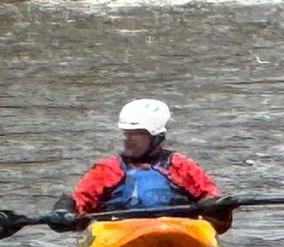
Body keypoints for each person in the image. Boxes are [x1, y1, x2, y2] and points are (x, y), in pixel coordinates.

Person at [48, 99, 232, 231]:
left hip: (178, 229)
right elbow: (79, 200)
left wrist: (219, 208)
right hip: (117, 232)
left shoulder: (180, 165)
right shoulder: (108, 169)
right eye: (126, 134)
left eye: (136, 135)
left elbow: (210, 196)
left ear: (156, 138)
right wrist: (64, 211)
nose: (128, 140)